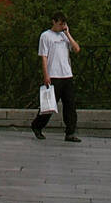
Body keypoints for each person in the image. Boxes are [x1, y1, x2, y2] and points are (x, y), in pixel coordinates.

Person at [31, 11, 81, 142]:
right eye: (59, 24)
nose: (61, 26)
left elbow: (76, 49)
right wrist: (46, 74)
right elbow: (44, 56)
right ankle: (37, 125)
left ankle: (70, 131)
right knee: (49, 105)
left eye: (63, 24)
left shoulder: (64, 36)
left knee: (70, 104)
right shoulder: (46, 36)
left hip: (67, 74)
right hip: (54, 74)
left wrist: (67, 33)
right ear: (54, 22)